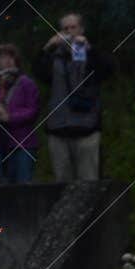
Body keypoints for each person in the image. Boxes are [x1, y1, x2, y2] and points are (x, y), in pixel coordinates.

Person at [37, 12, 110, 182]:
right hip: (59, 129)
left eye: (73, 27)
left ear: (81, 29)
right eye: (65, 28)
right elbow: (38, 72)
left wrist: (89, 49)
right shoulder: (53, 56)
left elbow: (106, 70)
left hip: (87, 128)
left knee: (88, 183)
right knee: (63, 183)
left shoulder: (91, 53)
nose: (69, 32)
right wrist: (47, 47)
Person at [0, 45, 40, 183]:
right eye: (4, 57)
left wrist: (10, 117)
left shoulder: (26, 84)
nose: (8, 61)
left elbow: (33, 110)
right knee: (3, 188)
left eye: (11, 57)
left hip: (23, 144)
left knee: (23, 186)